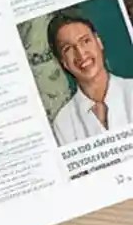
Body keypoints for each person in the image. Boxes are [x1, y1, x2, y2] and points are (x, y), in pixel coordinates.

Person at [48, 11, 133, 145]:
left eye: (85, 41)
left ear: (99, 43)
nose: (81, 53)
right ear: (63, 62)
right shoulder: (63, 123)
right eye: (68, 49)